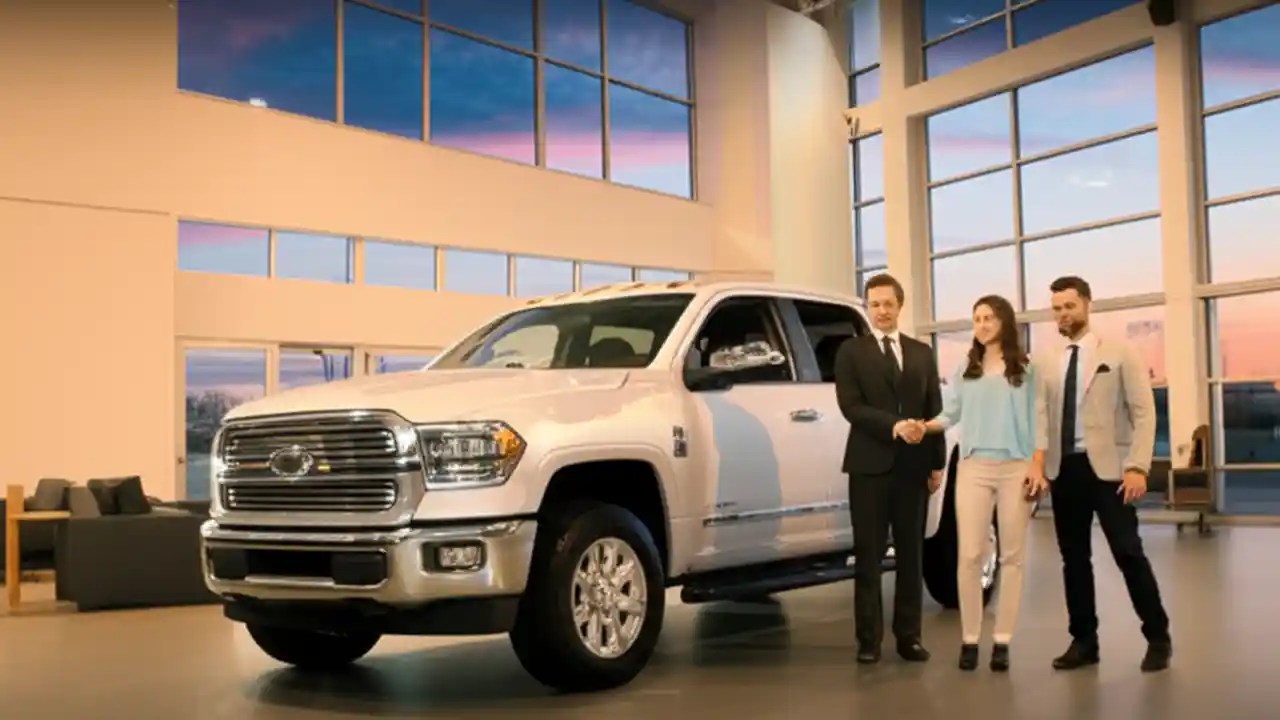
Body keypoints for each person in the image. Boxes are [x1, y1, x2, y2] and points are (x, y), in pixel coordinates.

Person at [1031, 275, 1172, 672]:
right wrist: (1038, 466)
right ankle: (1084, 641)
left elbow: (1144, 413)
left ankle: (1158, 637)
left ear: (1087, 305)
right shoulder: (1046, 361)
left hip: (1112, 472)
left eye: (1069, 306)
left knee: (1128, 552)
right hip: (1065, 470)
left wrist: (1138, 466)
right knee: (1073, 558)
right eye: (1057, 308)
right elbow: (1037, 416)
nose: (1062, 314)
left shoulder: (1120, 352)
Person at [913, 294, 1048, 672]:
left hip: (1016, 468)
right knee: (969, 554)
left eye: (989, 317)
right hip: (973, 468)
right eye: (977, 318)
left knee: (1012, 557)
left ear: (1004, 322)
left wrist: (1038, 465)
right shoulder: (965, 370)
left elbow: (1040, 420)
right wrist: (922, 427)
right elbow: (949, 414)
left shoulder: (1026, 369)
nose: (983, 324)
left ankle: (1002, 640)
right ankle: (970, 638)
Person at [833, 273, 945, 665]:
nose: (881, 310)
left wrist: (938, 462)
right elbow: (851, 407)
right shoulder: (851, 352)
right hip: (869, 467)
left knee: (912, 556)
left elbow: (935, 409)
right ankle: (868, 641)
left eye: (888, 303)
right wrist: (895, 426)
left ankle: (909, 638)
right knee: (869, 556)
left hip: (914, 468)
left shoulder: (920, 352)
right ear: (868, 307)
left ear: (900, 305)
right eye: (875, 304)